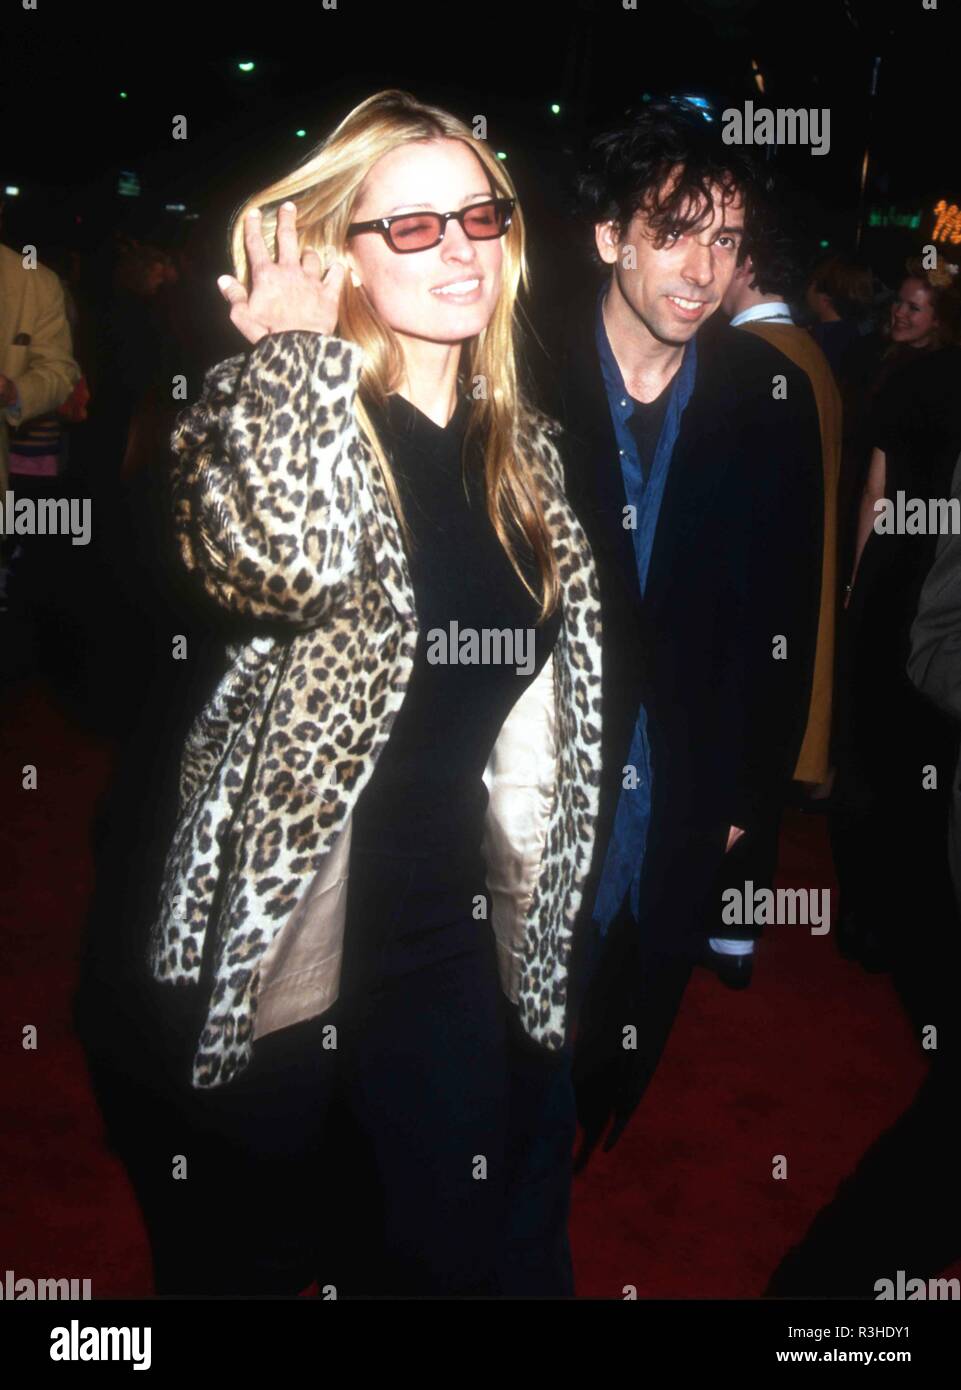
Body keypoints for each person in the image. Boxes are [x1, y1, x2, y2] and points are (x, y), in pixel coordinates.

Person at [98, 88, 603, 1297]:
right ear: (346, 256)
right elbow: (271, 568)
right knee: (259, 1254)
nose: (461, 248)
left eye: (478, 216)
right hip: (293, 930)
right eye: (413, 226)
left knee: (449, 1251)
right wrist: (289, 361)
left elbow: (553, 719)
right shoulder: (277, 414)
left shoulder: (524, 457)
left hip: (449, 933)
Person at [532, 98, 822, 1179]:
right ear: (611, 235)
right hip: (526, 787)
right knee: (485, 1052)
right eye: (674, 232)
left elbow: (785, 611)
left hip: (676, 788)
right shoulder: (517, 370)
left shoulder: (769, 397)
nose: (703, 270)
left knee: (607, 1034)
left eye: (726, 240)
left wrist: (748, 797)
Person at [831, 258, 961, 991]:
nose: (899, 315)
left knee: (869, 747)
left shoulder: (905, 379)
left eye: (916, 307)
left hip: (895, 578)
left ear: (941, 318)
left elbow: (875, 492)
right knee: (921, 756)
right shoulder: (914, 374)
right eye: (899, 304)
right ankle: (905, 917)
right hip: (941, 584)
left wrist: (855, 581)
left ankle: (864, 918)